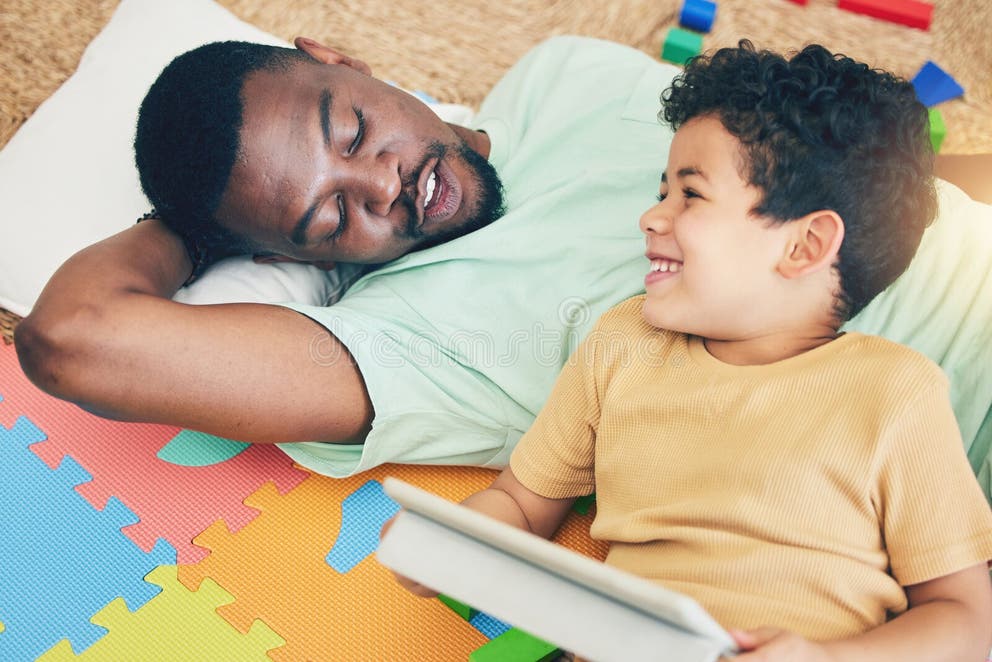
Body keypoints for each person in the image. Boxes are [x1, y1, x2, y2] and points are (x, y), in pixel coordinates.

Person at [14, 36, 992, 489]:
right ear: (278, 252)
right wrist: (199, 226)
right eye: (325, 214)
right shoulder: (394, 341)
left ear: (343, 58)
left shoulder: (565, 71)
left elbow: (857, 157)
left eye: (353, 128)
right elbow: (75, 341)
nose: (382, 183)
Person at [390, 42, 992, 661]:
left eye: (690, 195)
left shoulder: (894, 391)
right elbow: (521, 501)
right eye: (661, 191)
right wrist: (454, 541)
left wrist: (827, 658)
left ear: (806, 246)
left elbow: (968, 621)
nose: (651, 217)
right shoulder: (624, 345)